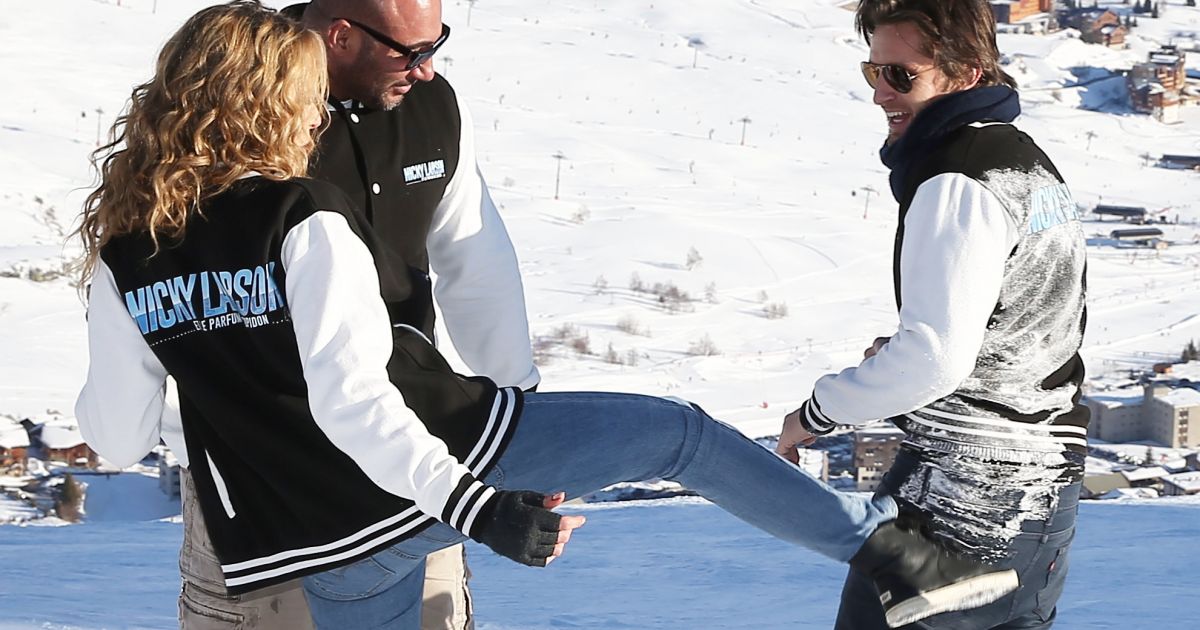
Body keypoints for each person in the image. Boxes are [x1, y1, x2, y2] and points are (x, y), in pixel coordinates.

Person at [74, 3, 1019, 629]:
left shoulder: (126, 249)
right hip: (431, 468)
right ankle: (893, 554)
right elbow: (357, 401)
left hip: (300, 537)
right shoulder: (300, 215)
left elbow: (115, 437)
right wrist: (479, 508)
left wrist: (222, 385)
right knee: (676, 437)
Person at [164, 0, 539, 627]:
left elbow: (475, 261)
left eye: (436, 45)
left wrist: (517, 409)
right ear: (340, 35)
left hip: (415, 449)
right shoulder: (228, 103)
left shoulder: (433, 108)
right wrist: (194, 439)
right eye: (412, 52)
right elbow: (162, 283)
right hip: (262, 468)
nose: (426, 70)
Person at [775, 1, 1088, 629]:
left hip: (959, 501)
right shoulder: (1025, 162)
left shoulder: (957, 180)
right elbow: (1025, 329)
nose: (880, 95)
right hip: (1041, 500)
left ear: (967, 73)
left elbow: (934, 359)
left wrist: (816, 413)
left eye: (901, 76)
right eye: (874, 73)